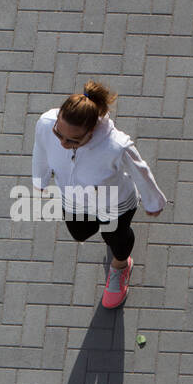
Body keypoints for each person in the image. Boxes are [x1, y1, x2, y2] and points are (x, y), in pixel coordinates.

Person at [31, 81, 167, 308]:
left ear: (91, 132)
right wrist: (40, 179)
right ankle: (111, 242)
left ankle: (121, 266)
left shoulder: (116, 146)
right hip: (73, 199)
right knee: (80, 233)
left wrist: (153, 202)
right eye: (59, 134)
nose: (63, 143)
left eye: (73, 140)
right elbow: (41, 151)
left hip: (115, 203)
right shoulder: (46, 124)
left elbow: (140, 171)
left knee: (116, 238)